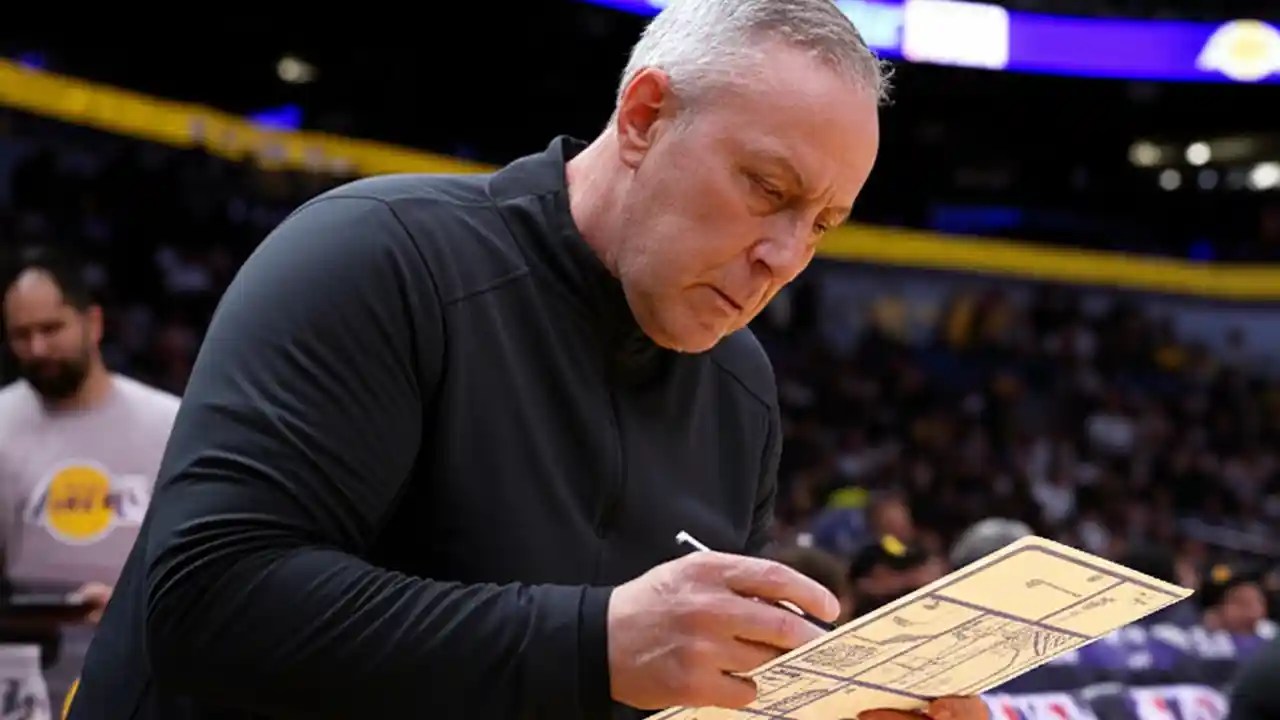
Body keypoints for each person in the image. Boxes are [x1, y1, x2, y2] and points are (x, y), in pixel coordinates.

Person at [68, 2, 987, 719]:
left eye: (820, 224)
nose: (786, 256)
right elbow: (206, 605)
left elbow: (681, 691)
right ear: (644, 116)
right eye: (767, 189)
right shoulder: (375, 256)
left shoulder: (742, 388)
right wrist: (593, 644)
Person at [0, 244, 180, 715]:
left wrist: (129, 605)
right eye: (21, 335)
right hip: (21, 673)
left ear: (93, 324)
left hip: (141, 662)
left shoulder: (169, 423)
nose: (37, 348)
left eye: (51, 329)